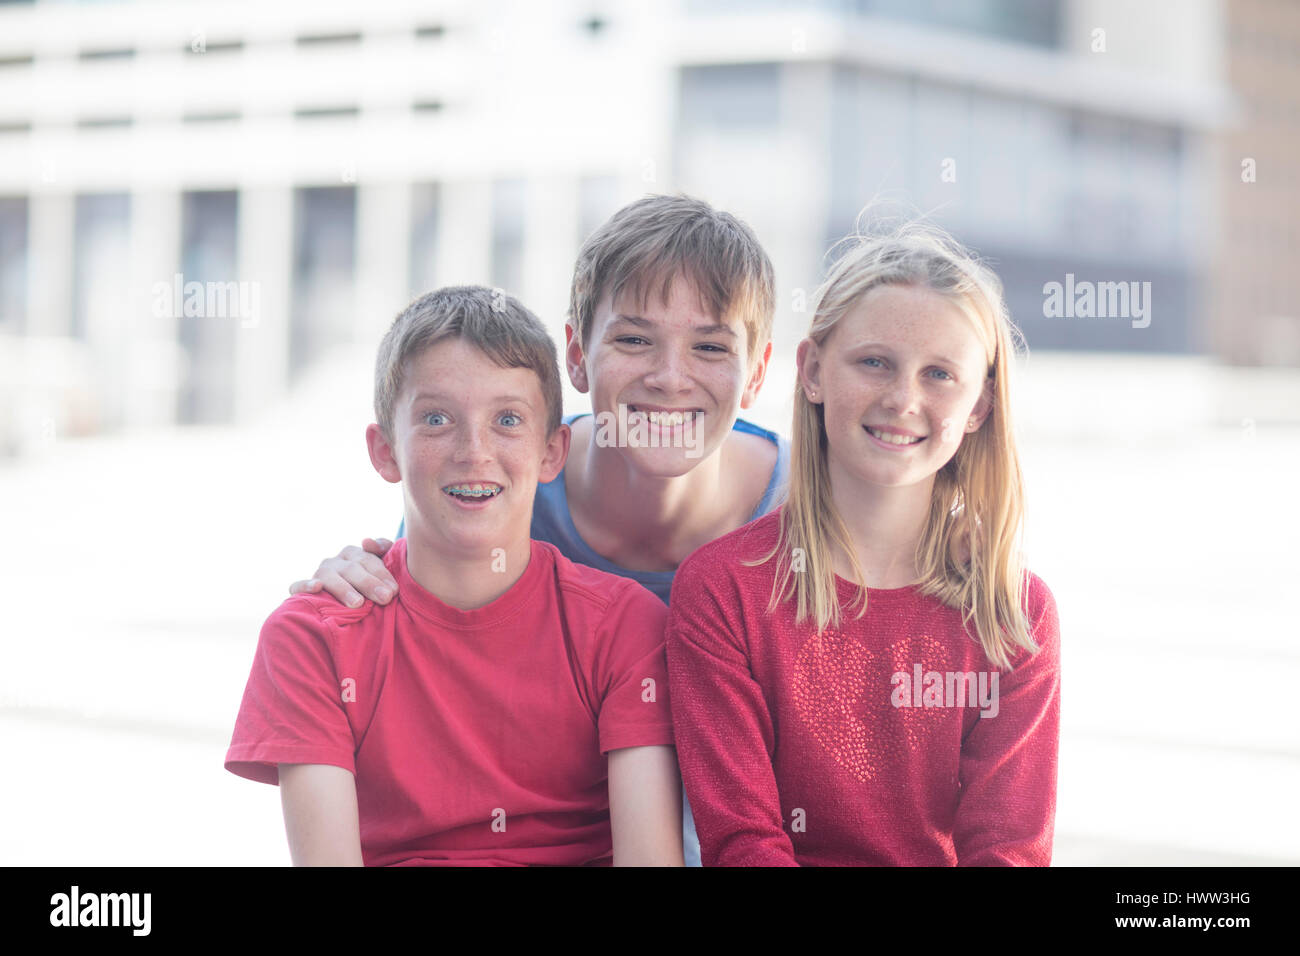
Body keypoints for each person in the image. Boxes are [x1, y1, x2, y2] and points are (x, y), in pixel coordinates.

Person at [289, 194, 790, 865]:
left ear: (756, 373)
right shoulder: (505, 485)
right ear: (577, 356)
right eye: (634, 339)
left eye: (709, 346)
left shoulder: (806, 521)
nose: (670, 378)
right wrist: (359, 579)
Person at [226, 286, 683, 866]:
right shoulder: (312, 639)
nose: (475, 451)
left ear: (552, 451)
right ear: (385, 450)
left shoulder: (626, 627)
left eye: (507, 420)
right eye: (436, 418)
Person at [666, 219, 1061, 866]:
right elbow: (743, 843)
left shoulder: (1015, 613)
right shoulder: (722, 590)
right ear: (813, 371)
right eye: (874, 362)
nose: (903, 399)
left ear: (980, 408)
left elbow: (1007, 851)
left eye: (940, 375)